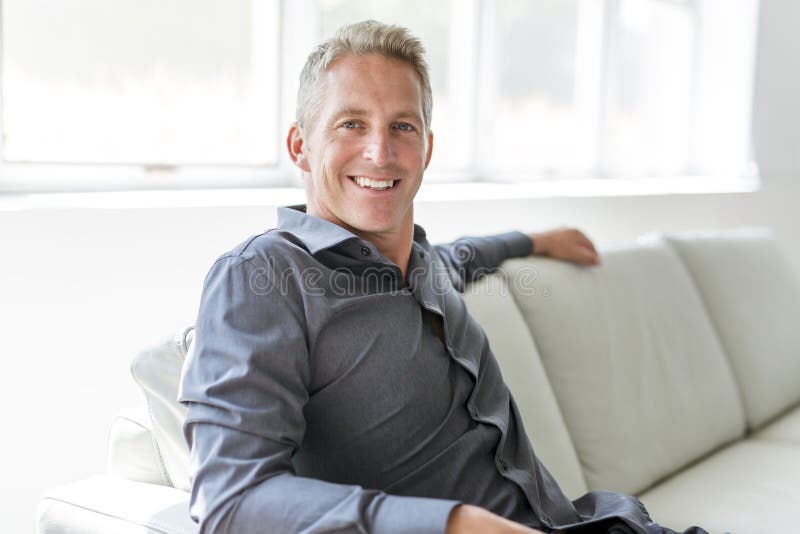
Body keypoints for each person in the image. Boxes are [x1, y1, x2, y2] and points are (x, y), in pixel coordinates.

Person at [179, 20, 705, 534]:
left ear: (427, 148)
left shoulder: (423, 264)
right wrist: (454, 523)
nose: (380, 152)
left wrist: (535, 240)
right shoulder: (261, 279)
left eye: (402, 127)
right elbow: (230, 501)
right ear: (300, 146)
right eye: (351, 124)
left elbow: (465, 255)